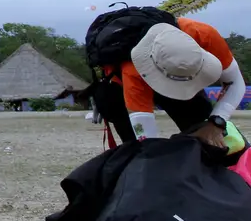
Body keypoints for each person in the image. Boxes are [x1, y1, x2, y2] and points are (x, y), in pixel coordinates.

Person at [92, 13, 244, 147]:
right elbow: (146, 138)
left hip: (167, 68)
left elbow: (235, 83)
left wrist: (216, 122)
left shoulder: (205, 35)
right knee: (135, 149)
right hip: (118, 89)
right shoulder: (133, 71)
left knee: (208, 136)